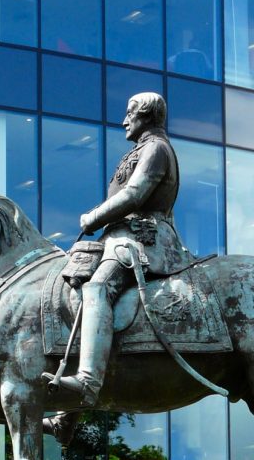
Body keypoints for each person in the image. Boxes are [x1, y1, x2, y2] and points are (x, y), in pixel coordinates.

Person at [43, 91, 191, 408]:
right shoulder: (141, 149)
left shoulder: (156, 149)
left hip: (144, 240)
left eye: (130, 114)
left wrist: (94, 217)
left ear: (146, 116)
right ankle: (69, 412)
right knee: (74, 288)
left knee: (97, 288)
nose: (124, 121)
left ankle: (88, 380)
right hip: (120, 238)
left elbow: (135, 194)